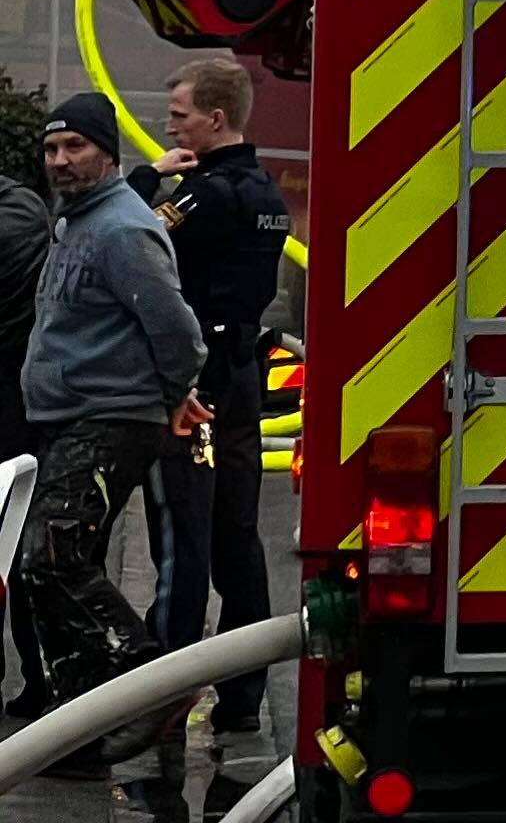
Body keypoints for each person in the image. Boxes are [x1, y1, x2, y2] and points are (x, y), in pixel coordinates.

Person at [22, 88, 204, 775]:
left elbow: (176, 330)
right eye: (52, 149)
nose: (61, 161)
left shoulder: (122, 230)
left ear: (107, 153)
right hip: (73, 420)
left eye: (76, 147)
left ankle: (152, 680)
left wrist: (169, 395)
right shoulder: (77, 222)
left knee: (51, 559)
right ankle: (79, 735)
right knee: (59, 570)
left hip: (111, 421)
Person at [144, 58, 289, 741]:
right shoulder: (266, 193)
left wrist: (153, 179)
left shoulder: (207, 194)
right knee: (238, 537)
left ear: (216, 119)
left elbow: (139, 238)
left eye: (180, 113)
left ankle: (162, 700)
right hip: (239, 381)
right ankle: (243, 696)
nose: (170, 123)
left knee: (184, 536)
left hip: (193, 387)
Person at [0, 83, 49, 718]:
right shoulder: (26, 209)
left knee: (15, 542)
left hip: (10, 404)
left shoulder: (13, 215)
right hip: (20, 399)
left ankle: (39, 682)